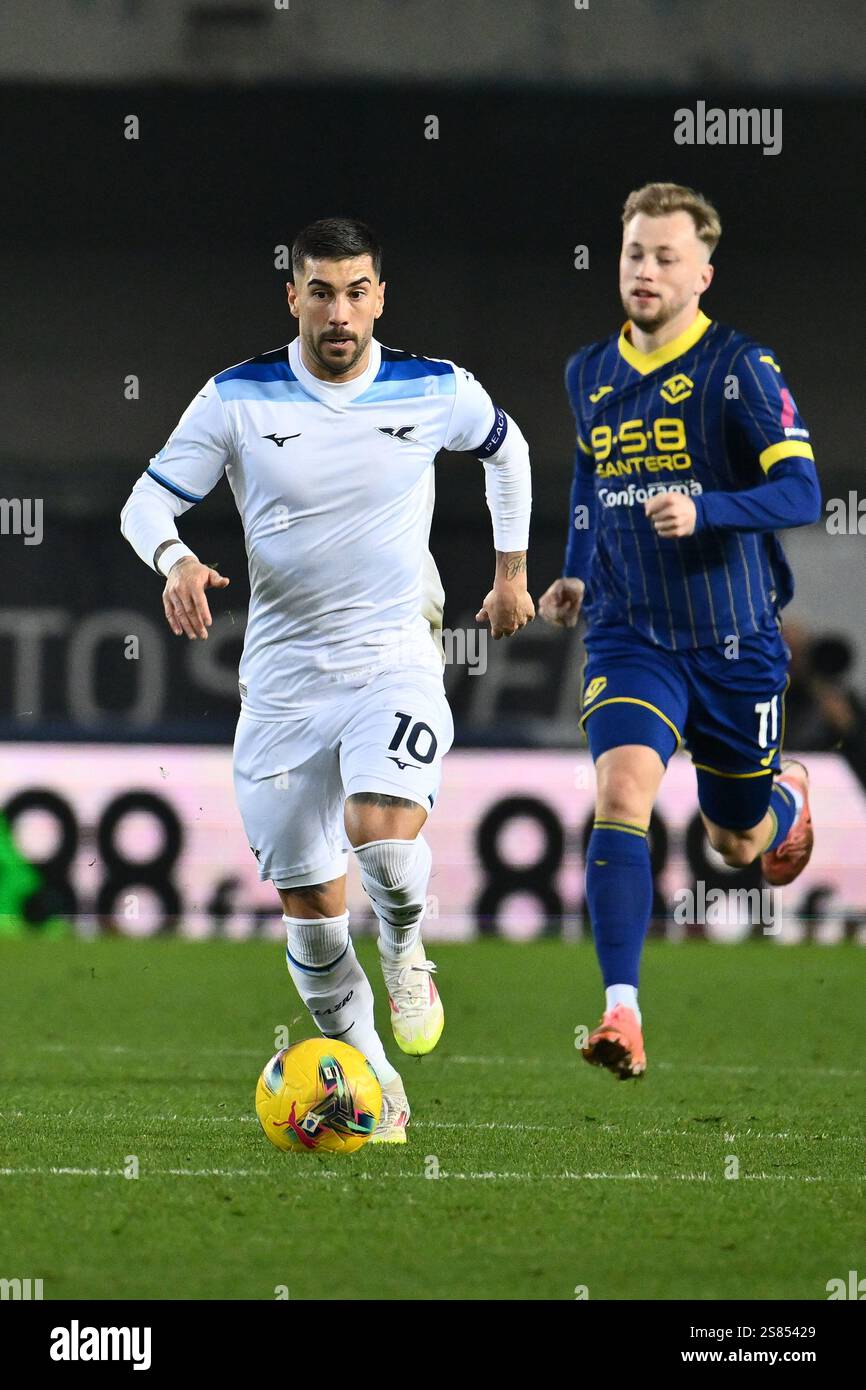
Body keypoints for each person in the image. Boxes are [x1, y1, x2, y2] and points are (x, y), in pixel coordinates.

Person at [121, 217, 534, 1138]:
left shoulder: (434, 388)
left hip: (393, 651)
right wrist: (175, 559)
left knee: (382, 838)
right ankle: (377, 1083)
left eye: (356, 292)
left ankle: (406, 947)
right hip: (281, 681)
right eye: (320, 292)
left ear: (380, 296)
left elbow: (507, 449)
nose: (338, 313)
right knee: (311, 916)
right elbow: (145, 499)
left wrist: (511, 572)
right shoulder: (236, 397)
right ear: (293, 296)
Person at [539, 183, 820, 1080]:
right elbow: (589, 479)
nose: (646, 270)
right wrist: (578, 568)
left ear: (703, 272)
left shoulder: (741, 368)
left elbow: (804, 492)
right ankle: (622, 1013)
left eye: (665, 257)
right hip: (632, 636)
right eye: (634, 254)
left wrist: (708, 509)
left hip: (735, 640)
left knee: (731, 843)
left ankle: (789, 795)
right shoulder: (589, 372)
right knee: (621, 794)